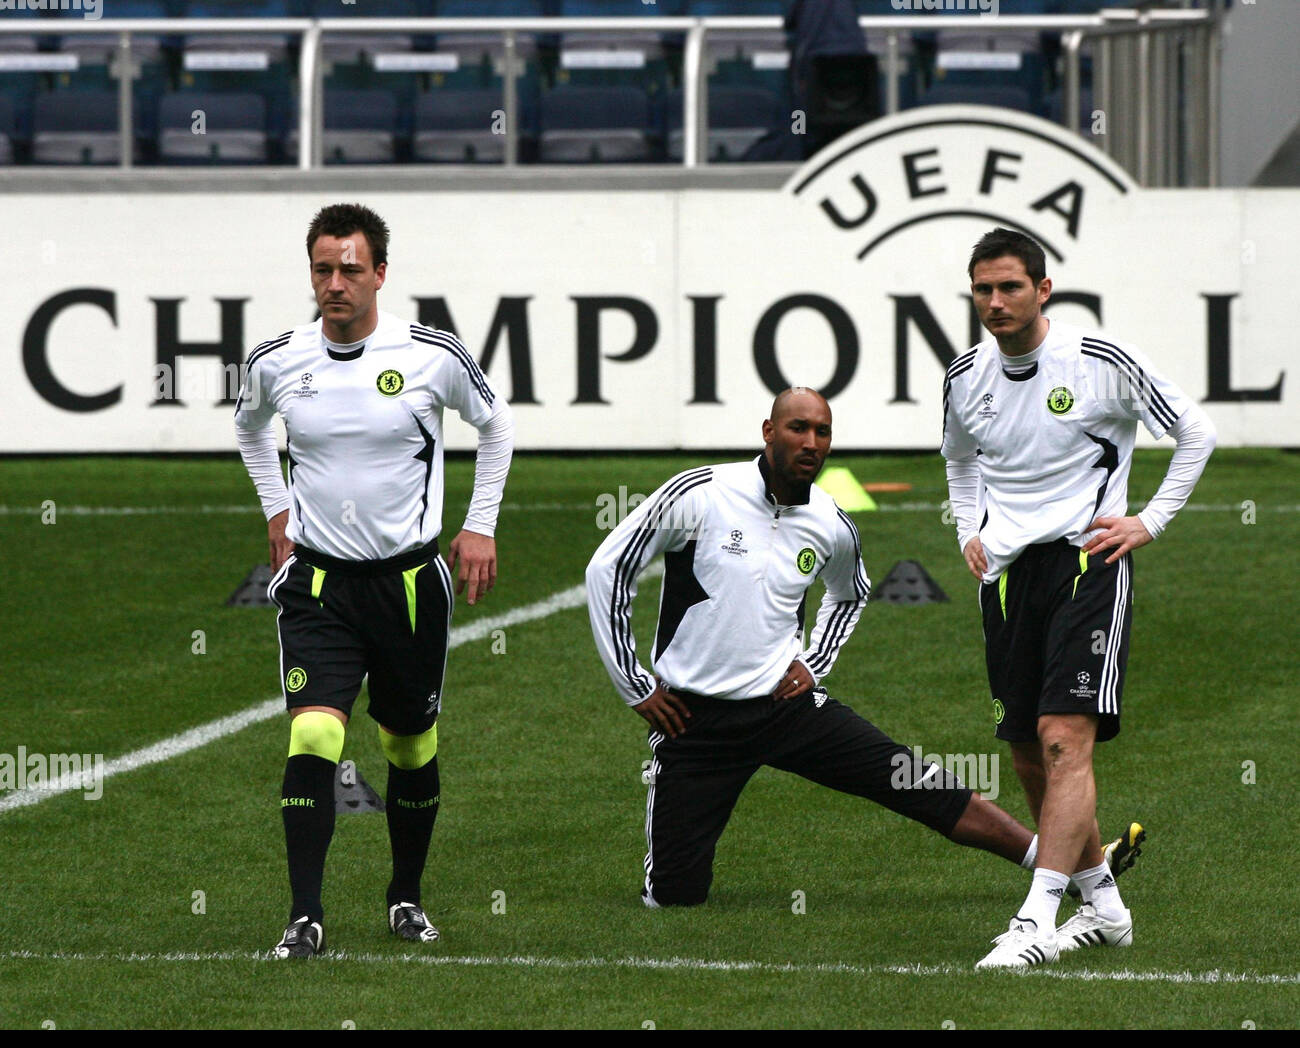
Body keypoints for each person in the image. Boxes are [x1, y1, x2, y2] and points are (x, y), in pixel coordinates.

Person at [585, 387, 1041, 911]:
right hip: (693, 723)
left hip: (786, 709)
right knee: (674, 898)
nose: (811, 442)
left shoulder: (830, 521)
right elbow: (609, 568)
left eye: (822, 432)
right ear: (768, 432)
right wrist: (635, 686)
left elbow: (851, 592)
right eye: (798, 428)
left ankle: (1057, 864)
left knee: (913, 779)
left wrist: (814, 661)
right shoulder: (701, 493)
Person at [234, 202, 514, 958]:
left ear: (380, 273)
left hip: (411, 585)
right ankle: (304, 915)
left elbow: (496, 426)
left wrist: (479, 522)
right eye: (323, 269)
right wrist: (276, 509)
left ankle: (405, 896)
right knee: (317, 730)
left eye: (350, 269)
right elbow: (248, 427)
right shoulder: (277, 360)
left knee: (408, 746)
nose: (335, 283)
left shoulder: (432, 354)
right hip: (318, 587)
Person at [941, 227, 1215, 969]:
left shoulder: (1101, 362)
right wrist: (970, 527)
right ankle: (1105, 906)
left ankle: (1035, 919)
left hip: (1088, 562)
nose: (995, 302)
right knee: (1030, 750)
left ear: (1043, 290)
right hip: (1003, 577)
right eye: (983, 290)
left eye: (1009, 287)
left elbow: (1196, 432)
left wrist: (1148, 521)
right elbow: (960, 462)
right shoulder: (965, 376)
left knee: (1066, 737)